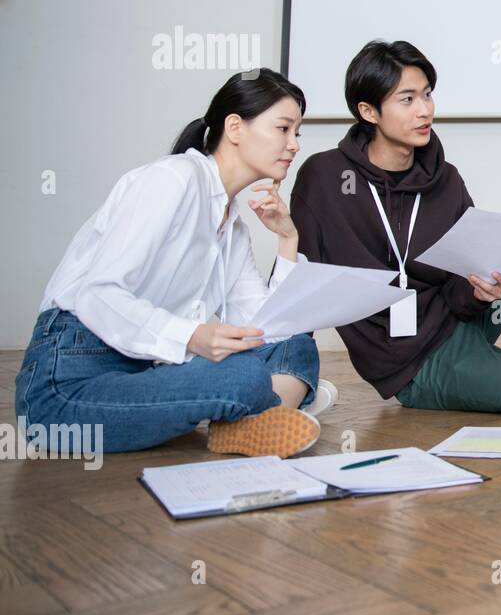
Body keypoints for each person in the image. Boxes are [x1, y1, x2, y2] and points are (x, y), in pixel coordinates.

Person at [16, 69, 330, 457]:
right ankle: (268, 410)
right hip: (67, 383)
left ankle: (253, 420)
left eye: (297, 133)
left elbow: (271, 328)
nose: (294, 144)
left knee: (297, 343)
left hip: (146, 370)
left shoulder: (234, 230)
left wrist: (288, 239)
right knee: (244, 375)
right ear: (235, 127)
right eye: (284, 129)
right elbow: (97, 295)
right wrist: (192, 336)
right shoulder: (173, 178)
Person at [289, 40, 501, 414]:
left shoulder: (444, 179)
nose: (425, 110)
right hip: (414, 362)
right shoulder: (325, 178)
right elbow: (301, 280)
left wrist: (481, 290)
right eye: (407, 99)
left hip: (462, 317)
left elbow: (461, 275)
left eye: (427, 95)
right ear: (368, 111)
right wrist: (292, 380)